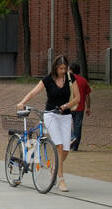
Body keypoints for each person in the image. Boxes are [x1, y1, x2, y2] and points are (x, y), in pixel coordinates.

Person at [17, 54, 79, 193]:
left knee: (66, 149)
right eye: (60, 68)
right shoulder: (48, 79)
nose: (63, 71)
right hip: (51, 115)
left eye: (65, 68)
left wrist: (66, 105)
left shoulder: (70, 78)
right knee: (59, 145)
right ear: (55, 67)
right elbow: (33, 92)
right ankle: (61, 178)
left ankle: (54, 168)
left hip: (65, 115)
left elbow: (78, 98)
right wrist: (23, 102)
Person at [68, 62, 91, 152]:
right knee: (78, 127)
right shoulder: (84, 81)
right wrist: (88, 107)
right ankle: (75, 147)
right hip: (80, 108)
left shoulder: (68, 80)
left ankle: (70, 141)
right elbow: (87, 95)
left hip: (69, 107)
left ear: (71, 70)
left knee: (65, 125)